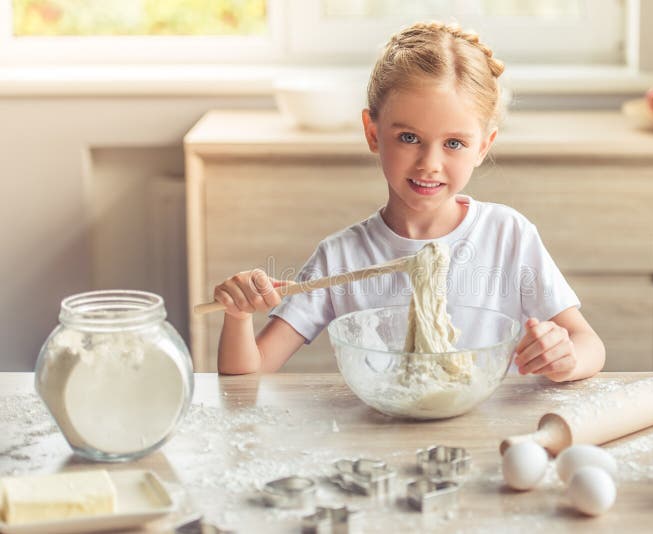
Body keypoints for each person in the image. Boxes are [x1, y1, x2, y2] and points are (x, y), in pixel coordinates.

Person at [213, 21, 605, 381]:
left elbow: (590, 344)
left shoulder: (508, 235)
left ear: (483, 146)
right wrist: (237, 316)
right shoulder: (341, 258)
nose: (430, 164)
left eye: (454, 143)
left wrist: (566, 357)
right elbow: (248, 375)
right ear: (372, 132)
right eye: (408, 138)